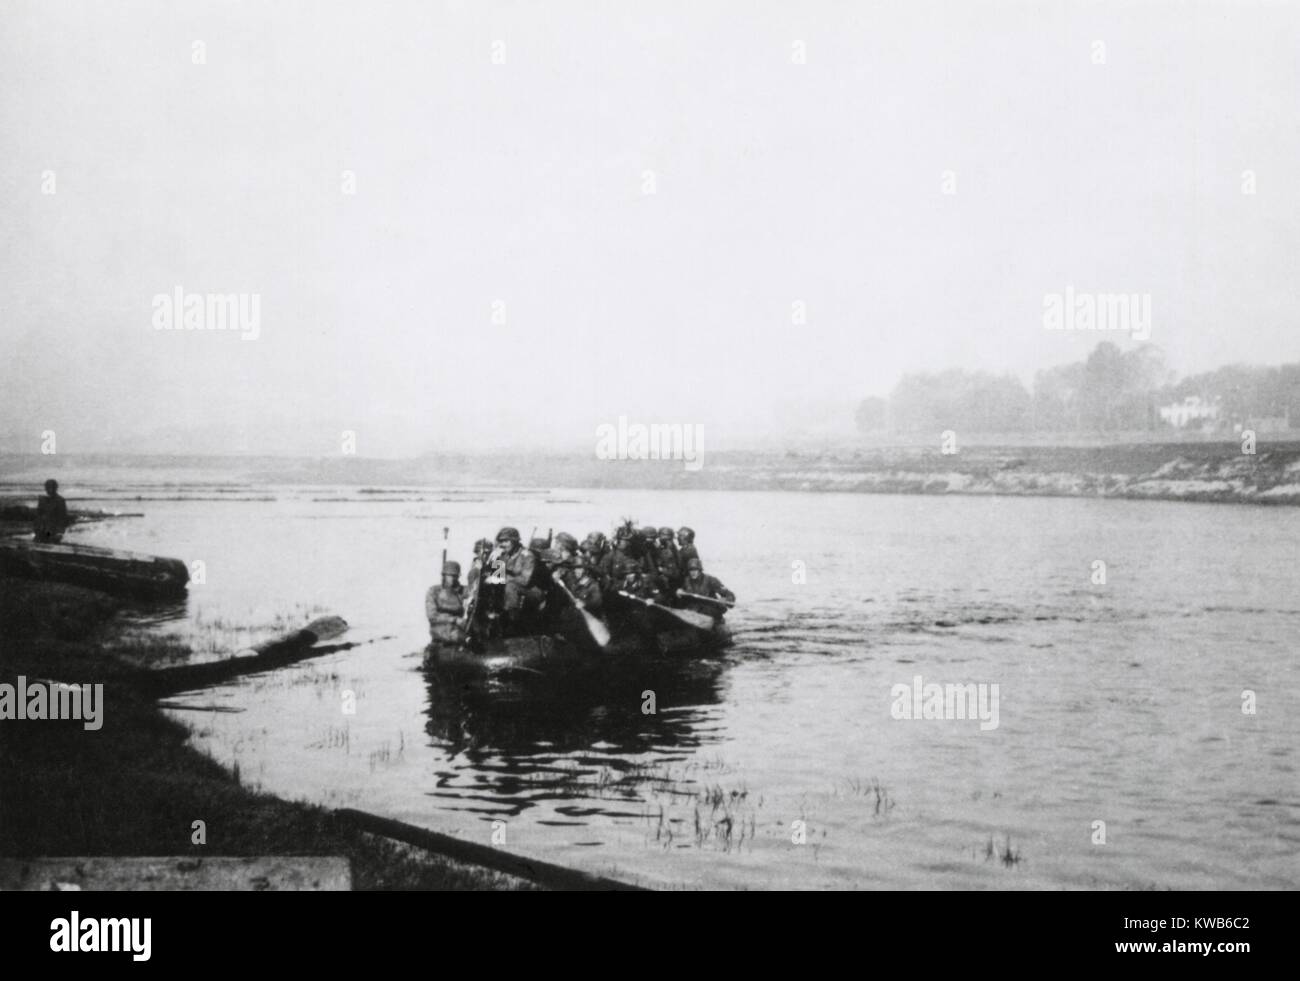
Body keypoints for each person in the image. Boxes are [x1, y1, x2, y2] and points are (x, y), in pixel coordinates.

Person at [493, 526, 545, 628]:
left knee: (511, 586)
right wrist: (496, 561)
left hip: (533, 591)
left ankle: (512, 620)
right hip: (513, 592)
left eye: (506, 541)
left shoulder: (527, 555)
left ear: (514, 541)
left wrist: (504, 578)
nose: (503, 545)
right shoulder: (503, 556)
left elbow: (525, 581)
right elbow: (497, 579)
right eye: (501, 542)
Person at [426, 561, 466, 643]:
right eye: (449, 575)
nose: (452, 579)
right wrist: (454, 619)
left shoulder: (463, 591)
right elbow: (432, 616)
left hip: (460, 628)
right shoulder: (434, 591)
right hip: (440, 628)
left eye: (455, 576)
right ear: (444, 576)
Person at [33, 479, 70, 543]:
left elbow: (63, 518)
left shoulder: (60, 501)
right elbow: (38, 516)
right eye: (47, 488)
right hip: (42, 531)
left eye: (51, 487)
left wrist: (60, 533)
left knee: (50, 544)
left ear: (56, 488)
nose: (48, 490)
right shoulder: (43, 500)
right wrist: (37, 529)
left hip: (53, 532)